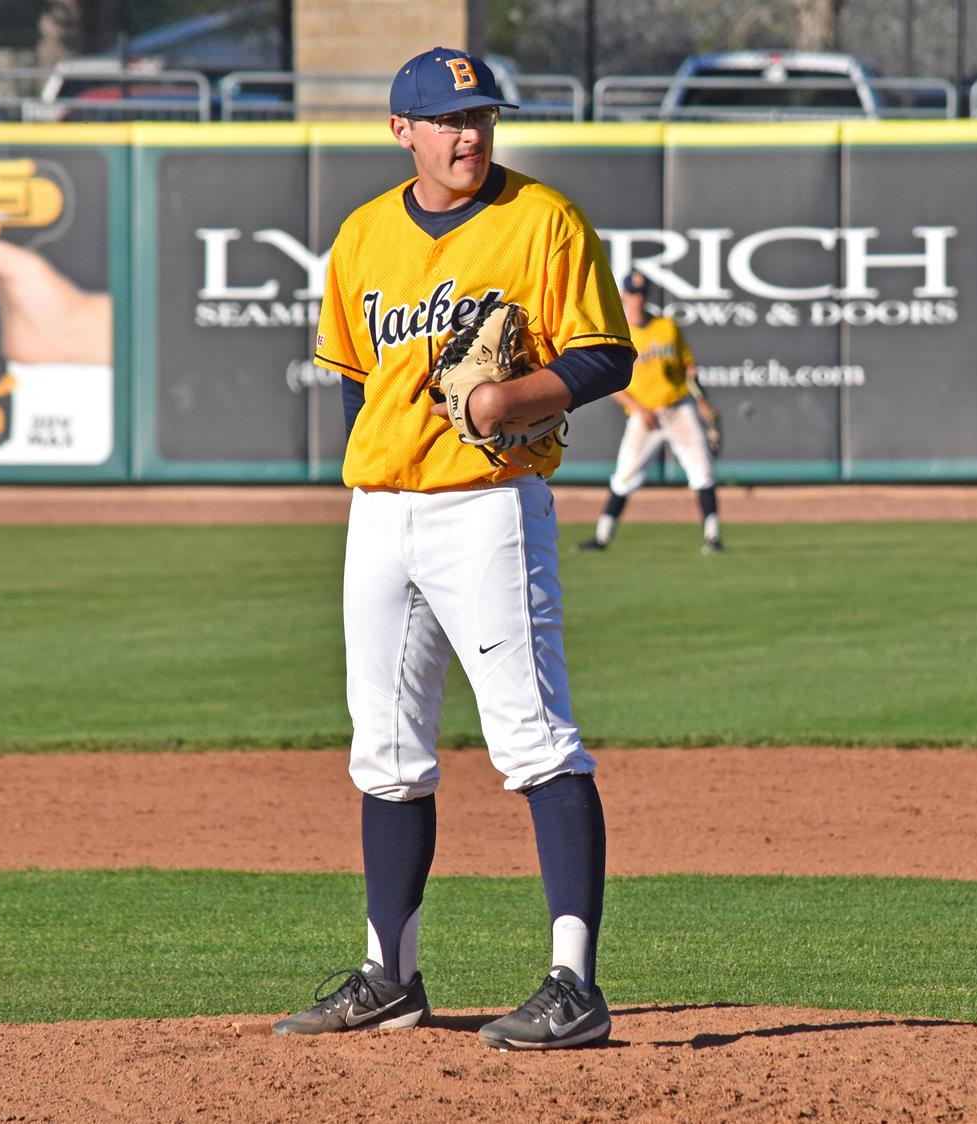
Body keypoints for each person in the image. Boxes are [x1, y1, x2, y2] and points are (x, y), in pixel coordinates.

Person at [271, 46, 634, 1051]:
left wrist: (512, 399)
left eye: (479, 116)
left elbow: (605, 352)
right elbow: (354, 382)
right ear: (402, 131)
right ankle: (389, 973)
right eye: (444, 119)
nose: (466, 134)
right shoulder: (359, 237)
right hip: (380, 512)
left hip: (488, 503)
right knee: (383, 751)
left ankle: (574, 981)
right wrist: (379, 461)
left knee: (533, 737)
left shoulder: (542, 220)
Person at [573, 271, 723, 554]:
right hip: (644, 415)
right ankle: (601, 538)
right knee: (624, 475)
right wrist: (638, 409)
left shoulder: (667, 326)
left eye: (642, 293)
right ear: (624, 296)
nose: (638, 298)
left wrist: (702, 398)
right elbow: (610, 382)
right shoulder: (619, 333)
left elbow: (688, 366)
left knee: (703, 471)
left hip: (679, 408)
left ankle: (713, 538)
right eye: (633, 293)